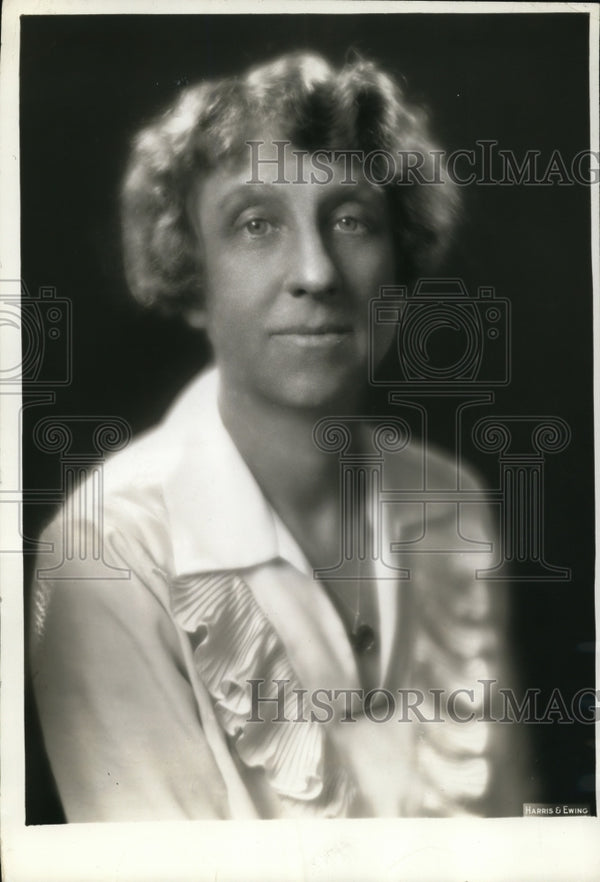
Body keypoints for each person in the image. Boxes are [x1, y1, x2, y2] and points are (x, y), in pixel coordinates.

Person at [30, 51, 523, 821]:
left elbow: (514, 837)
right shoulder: (109, 549)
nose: (317, 273)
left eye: (351, 219)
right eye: (256, 224)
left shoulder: (451, 502)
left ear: (398, 263)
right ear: (191, 275)